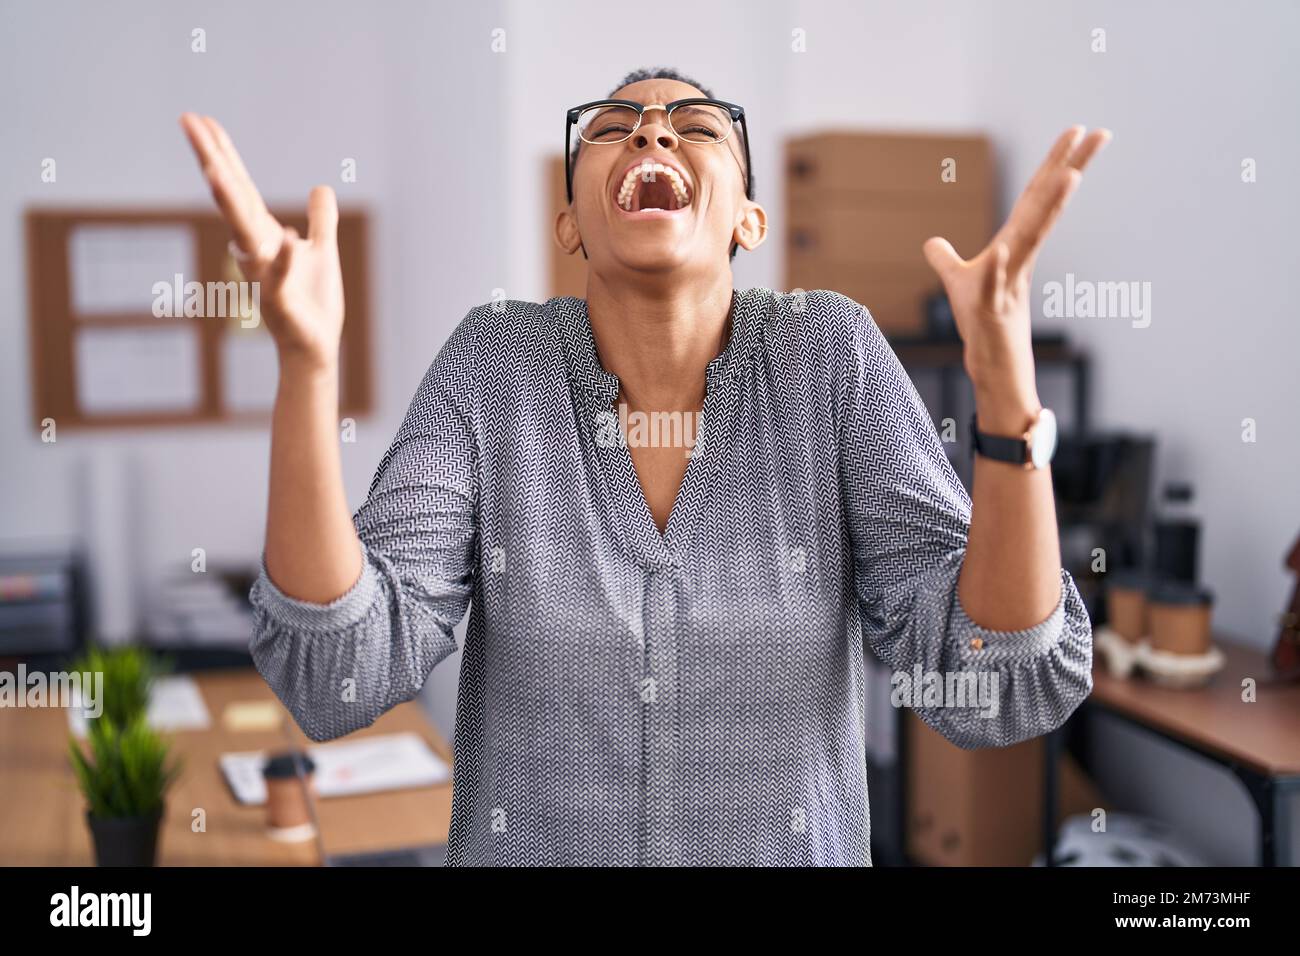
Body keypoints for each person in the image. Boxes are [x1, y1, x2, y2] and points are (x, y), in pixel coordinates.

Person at [179, 66, 1107, 866]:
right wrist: (305, 371)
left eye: (695, 125)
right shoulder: (495, 362)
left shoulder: (830, 355)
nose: (652, 129)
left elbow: (995, 684)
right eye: (613, 128)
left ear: (748, 219)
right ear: (571, 224)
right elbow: (337, 675)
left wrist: (1008, 413)